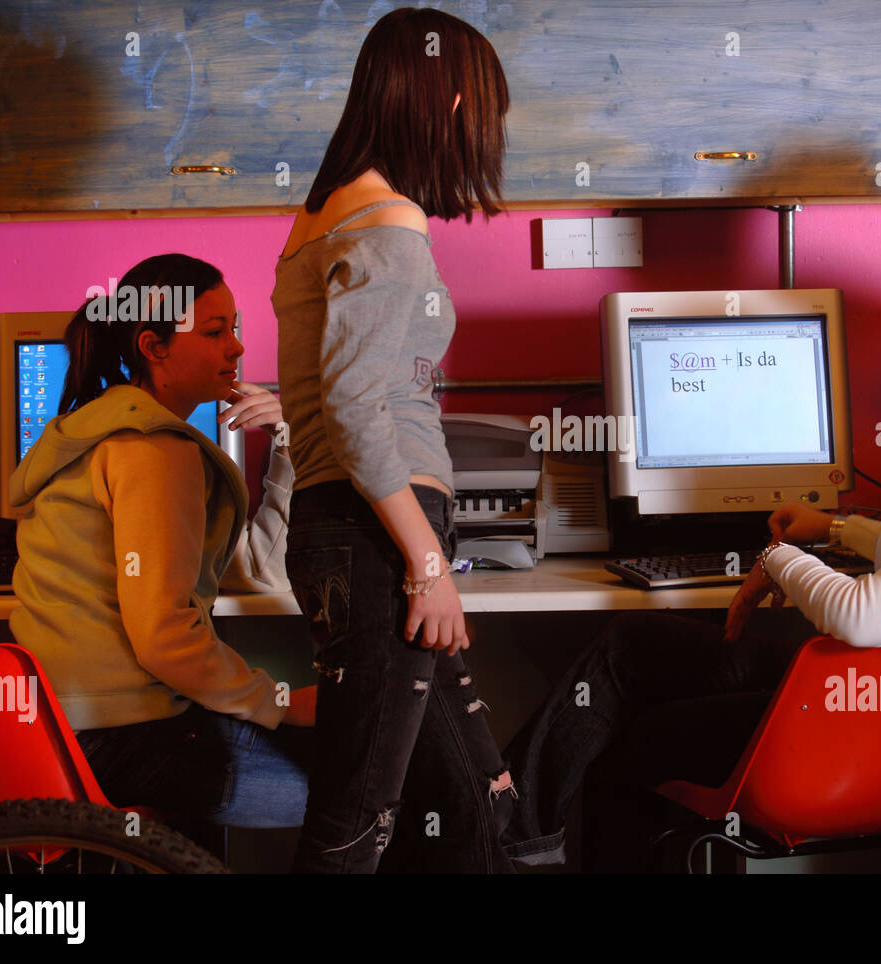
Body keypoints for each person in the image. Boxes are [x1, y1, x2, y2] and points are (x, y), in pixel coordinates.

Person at [501, 261, 881, 869]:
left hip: (868, 719)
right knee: (634, 646)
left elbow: (866, 618)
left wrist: (780, 558)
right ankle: (517, 832)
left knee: (633, 739)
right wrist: (836, 528)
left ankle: (513, 838)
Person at [271, 7, 514, 873]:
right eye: (482, 109)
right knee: (358, 820)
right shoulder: (390, 223)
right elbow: (353, 406)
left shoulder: (323, 216)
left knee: (482, 791)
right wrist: (428, 563)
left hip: (349, 527)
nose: (485, 131)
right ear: (445, 100)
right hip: (380, 536)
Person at [10, 253, 315, 833]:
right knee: (364, 796)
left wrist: (289, 443)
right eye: (213, 332)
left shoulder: (95, 429)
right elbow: (162, 634)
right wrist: (276, 702)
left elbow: (261, 573)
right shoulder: (154, 451)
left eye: (234, 329)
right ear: (153, 347)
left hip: (64, 730)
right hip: (124, 737)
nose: (237, 349)